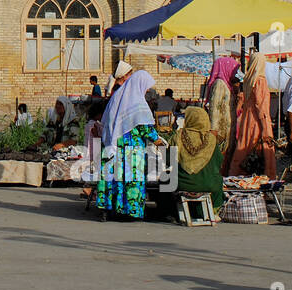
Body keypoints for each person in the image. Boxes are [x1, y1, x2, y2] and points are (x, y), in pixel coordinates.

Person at [95, 69, 163, 221]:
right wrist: (158, 140)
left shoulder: (117, 97)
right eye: (146, 87)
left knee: (113, 177)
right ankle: (128, 211)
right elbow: (145, 128)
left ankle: (109, 210)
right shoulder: (138, 103)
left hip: (113, 144)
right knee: (131, 178)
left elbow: (106, 120)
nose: (146, 90)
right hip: (131, 149)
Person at [227, 52, 276, 178]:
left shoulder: (249, 79)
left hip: (247, 119)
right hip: (257, 121)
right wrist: (266, 129)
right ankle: (263, 180)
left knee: (244, 148)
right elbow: (261, 105)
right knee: (261, 152)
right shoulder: (260, 80)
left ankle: (235, 174)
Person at [170, 106, 225, 214]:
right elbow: (219, 161)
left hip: (182, 183)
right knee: (218, 180)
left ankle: (169, 211)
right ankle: (212, 212)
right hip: (209, 184)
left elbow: (168, 160)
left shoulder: (177, 136)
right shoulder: (212, 139)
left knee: (165, 181)